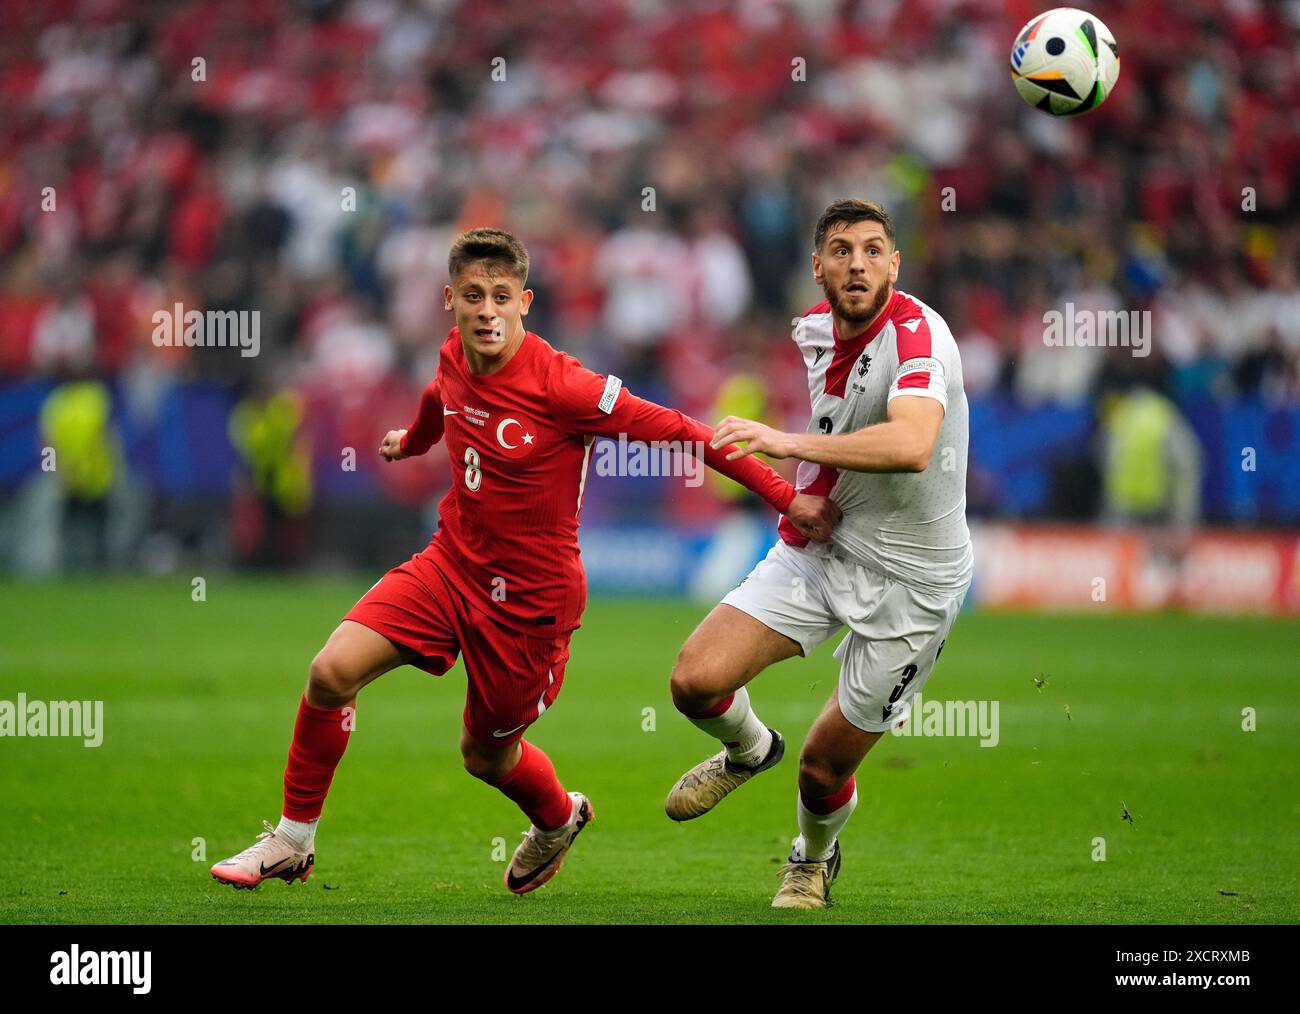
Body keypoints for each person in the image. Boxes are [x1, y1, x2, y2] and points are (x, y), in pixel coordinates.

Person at [210, 227, 839, 895]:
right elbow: (440, 398)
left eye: (501, 297)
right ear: (449, 300)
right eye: (474, 296)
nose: (486, 311)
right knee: (331, 671)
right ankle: (292, 839)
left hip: (531, 608)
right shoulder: (454, 351)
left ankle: (559, 817)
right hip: (449, 565)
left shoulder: (564, 386)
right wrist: (413, 439)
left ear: (525, 302)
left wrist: (784, 498)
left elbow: (688, 434)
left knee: (484, 755)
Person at [664, 199, 973, 909]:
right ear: (819, 266)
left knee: (822, 767)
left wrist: (786, 443)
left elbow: (912, 445)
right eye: (841, 249)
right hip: (823, 548)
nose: (857, 263)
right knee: (694, 681)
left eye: (872, 249)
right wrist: (797, 492)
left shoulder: (920, 339)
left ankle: (812, 856)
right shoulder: (812, 329)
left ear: (895, 263)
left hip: (915, 585)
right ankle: (748, 748)